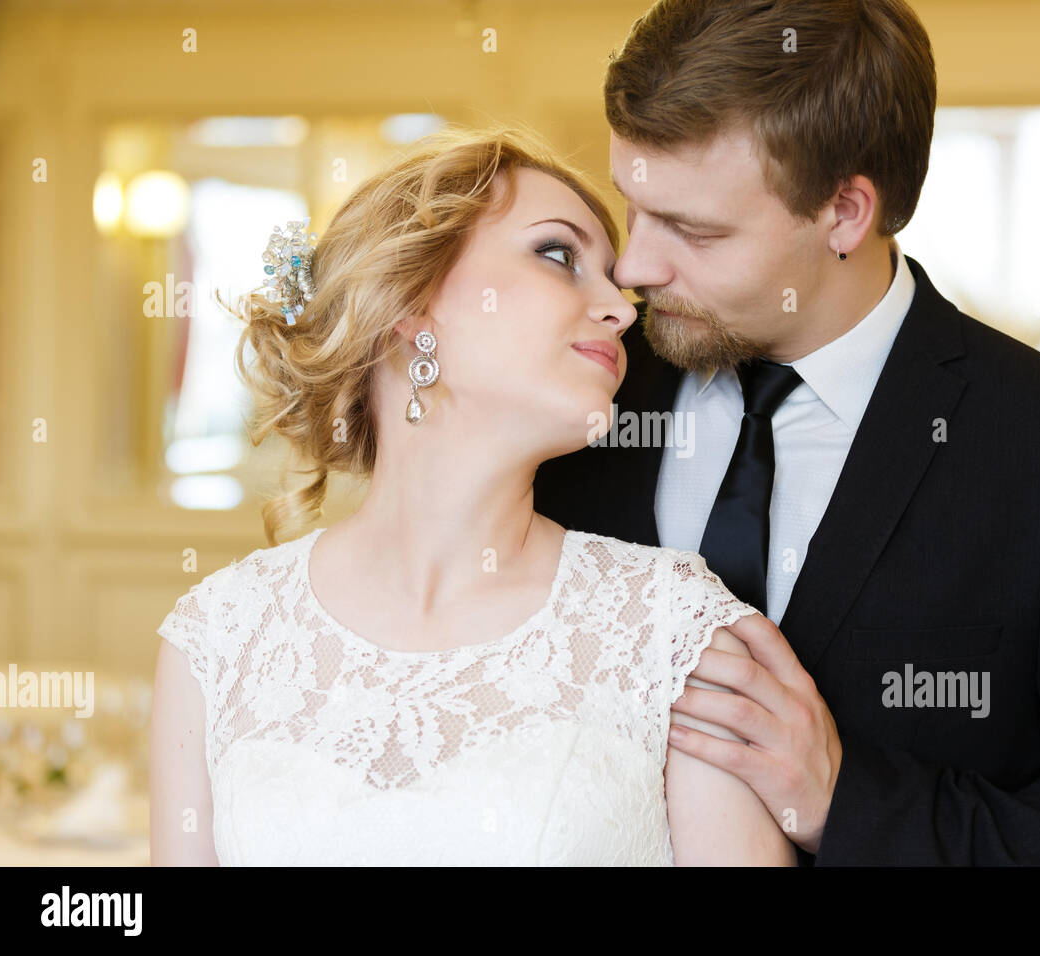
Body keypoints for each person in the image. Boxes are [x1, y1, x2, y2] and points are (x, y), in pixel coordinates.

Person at [534, 0, 1040, 865]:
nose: (634, 266)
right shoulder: (576, 393)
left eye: (694, 229)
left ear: (846, 212)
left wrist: (847, 802)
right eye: (635, 204)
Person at [149, 125, 797, 866]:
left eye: (613, 278)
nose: (623, 309)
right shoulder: (218, 638)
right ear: (412, 303)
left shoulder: (672, 630)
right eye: (559, 255)